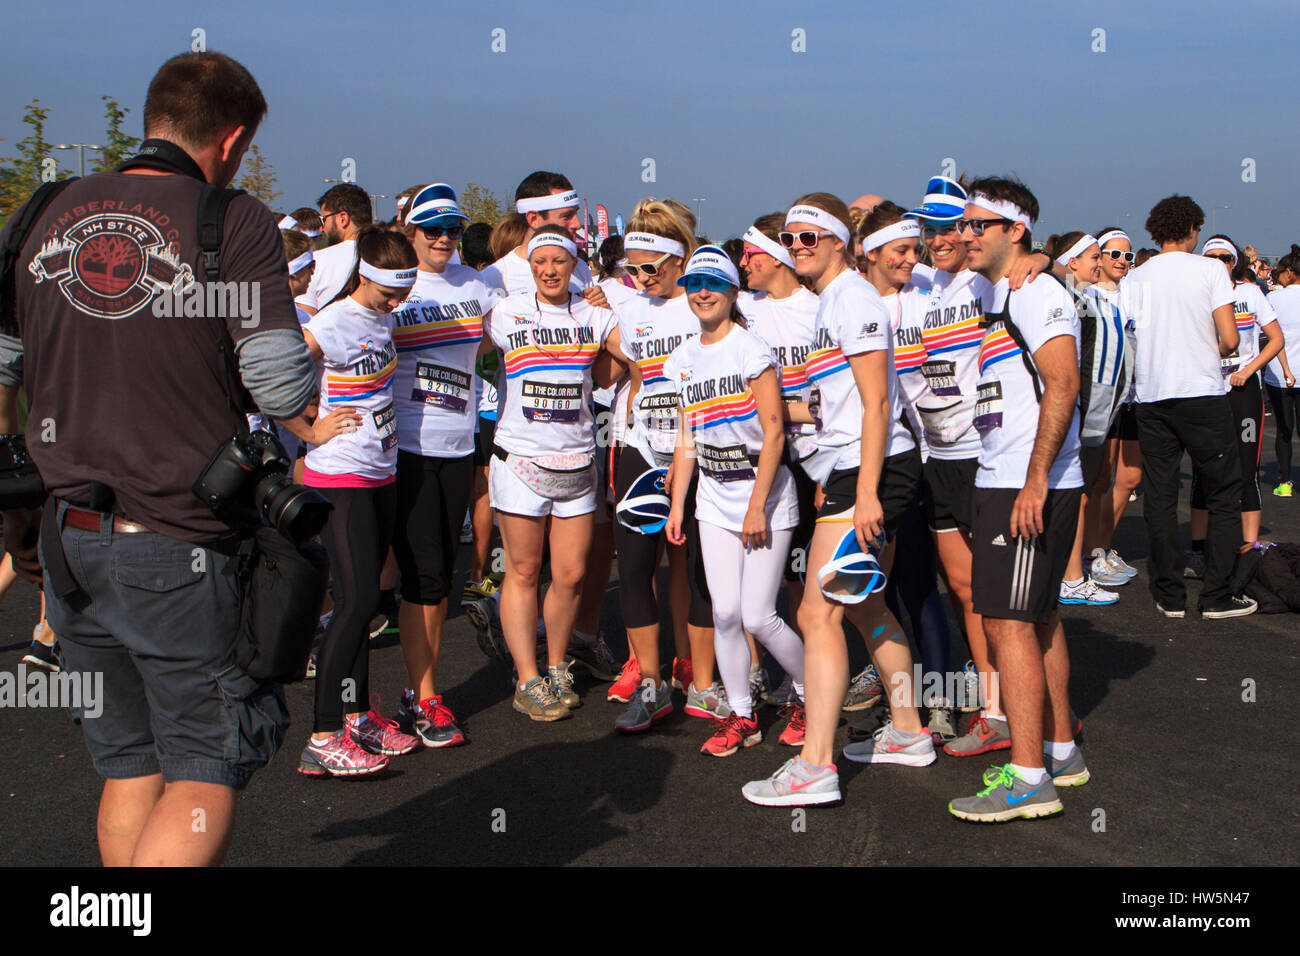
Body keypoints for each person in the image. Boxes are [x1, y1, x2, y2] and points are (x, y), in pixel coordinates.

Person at [0, 51, 319, 864]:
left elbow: (4, 365)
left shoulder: (45, 209)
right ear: (235, 137)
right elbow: (278, 383)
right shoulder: (227, 217)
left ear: (154, 118)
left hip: (68, 530)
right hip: (178, 532)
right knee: (204, 763)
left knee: (131, 764)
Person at [742, 192, 928, 808]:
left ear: (839, 242)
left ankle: (814, 766)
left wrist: (868, 491)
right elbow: (839, 404)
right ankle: (907, 730)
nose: (797, 248)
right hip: (853, 469)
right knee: (863, 606)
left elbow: (878, 403)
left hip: (873, 472)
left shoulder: (853, 298)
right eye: (790, 239)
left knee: (816, 615)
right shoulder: (831, 302)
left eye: (809, 237)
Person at [945, 177, 1087, 822]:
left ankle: (1029, 779)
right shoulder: (998, 285)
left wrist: (1034, 481)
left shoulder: (1039, 292)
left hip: (1026, 485)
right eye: (962, 224)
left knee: (1006, 624)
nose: (964, 234)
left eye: (978, 225)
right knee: (1036, 618)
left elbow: (1063, 385)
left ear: (1015, 231)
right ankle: (1060, 751)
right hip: (1001, 476)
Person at [663, 246, 807, 755]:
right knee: (723, 612)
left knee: (757, 616)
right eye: (693, 284)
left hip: (764, 495)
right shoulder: (680, 359)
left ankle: (813, 693)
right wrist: (678, 503)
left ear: (732, 291)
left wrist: (756, 504)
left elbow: (774, 434)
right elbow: (687, 439)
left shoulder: (751, 349)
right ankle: (742, 716)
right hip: (712, 497)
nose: (701, 292)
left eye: (714, 283)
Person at [296, 227, 423, 776]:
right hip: (340, 475)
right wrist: (308, 428)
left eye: (403, 294)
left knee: (366, 602)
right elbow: (263, 377)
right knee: (353, 605)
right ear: (363, 277)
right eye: (388, 295)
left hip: (381, 470)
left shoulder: (382, 316)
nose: (396, 305)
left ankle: (356, 716)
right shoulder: (329, 322)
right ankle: (321, 734)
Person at [484, 226, 623, 720]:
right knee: (523, 571)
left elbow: (640, 359)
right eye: (540, 261)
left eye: (558, 261)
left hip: (578, 460)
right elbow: (457, 343)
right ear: (529, 265)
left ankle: (558, 664)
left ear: (573, 265)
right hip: (520, 458)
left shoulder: (596, 314)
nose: (549, 270)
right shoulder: (505, 310)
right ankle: (526, 678)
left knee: (571, 574)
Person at [388, 183, 499, 748]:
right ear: (410, 230)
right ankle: (422, 693)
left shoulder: (475, 284)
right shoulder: (394, 282)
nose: (443, 239)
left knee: (438, 581)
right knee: (422, 574)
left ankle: (423, 694)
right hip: (408, 446)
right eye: (431, 228)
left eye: (452, 229)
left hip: (459, 445)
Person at [610, 203, 722, 729]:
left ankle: (699, 681)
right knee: (633, 568)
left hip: (696, 451)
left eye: (651, 268)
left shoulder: (703, 304)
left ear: (680, 261)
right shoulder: (631, 309)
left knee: (693, 568)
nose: (641, 279)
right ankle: (651, 685)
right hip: (641, 448)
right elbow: (636, 375)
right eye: (631, 268)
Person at [1120, 196, 1256, 619]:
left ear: (1155, 232)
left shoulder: (1135, 278)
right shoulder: (1211, 269)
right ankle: (1216, 594)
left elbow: (1130, 339)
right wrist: (1205, 351)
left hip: (1153, 396)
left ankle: (1168, 593)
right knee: (1223, 491)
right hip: (1202, 394)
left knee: (1160, 496)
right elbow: (1231, 339)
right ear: (1194, 230)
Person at [855, 201, 956, 742]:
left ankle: (939, 697)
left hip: (923, 460)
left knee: (919, 585)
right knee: (878, 590)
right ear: (869, 252)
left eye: (914, 249)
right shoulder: (846, 298)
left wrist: (1033, 258)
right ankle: (900, 704)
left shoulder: (930, 292)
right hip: (866, 464)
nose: (912, 258)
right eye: (901, 250)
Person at [1185, 235, 1289, 563]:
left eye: (1225, 258)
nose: (1219, 263)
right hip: (1207, 391)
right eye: (1211, 257)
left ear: (1234, 263)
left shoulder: (1249, 293)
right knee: (1205, 470)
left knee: (1246, 470)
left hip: (1244, 393)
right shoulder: (1194, 295)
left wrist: (1249, 370)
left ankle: (1248, 548)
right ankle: (1200, 549)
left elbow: (1275, 339)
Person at [1045, 232, 1124, 608]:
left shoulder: (1090, 296)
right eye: (1094, 256)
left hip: (1091, 415)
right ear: (1071, 261)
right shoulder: (1065, 297)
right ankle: (1071, 576)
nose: (1100, 262)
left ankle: (1071, 571)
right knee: (1072, 493)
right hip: (1072, 412)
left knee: (1080, 490)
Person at [1088, 227, 1143, 584]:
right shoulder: (1086, 297)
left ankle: (1103, 548)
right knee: (1099, 477)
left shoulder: (1135, 295)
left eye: (1128, 256)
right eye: (1114, 254)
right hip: (1102, 398)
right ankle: (1089, 554)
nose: (1122, 261)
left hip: (1134, 397)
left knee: (1130, 476)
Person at [298, 183, 372, 315]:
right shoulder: (388, 256)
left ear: (343, 218)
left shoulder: (316, 261)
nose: (322, 228)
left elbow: (306, 318)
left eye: (323, 219)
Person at [1264, 245, 1300, 495]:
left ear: (1289, 272)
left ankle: (1285, 482)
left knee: (1284, 430)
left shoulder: (1274, 298)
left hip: (1278, 372)